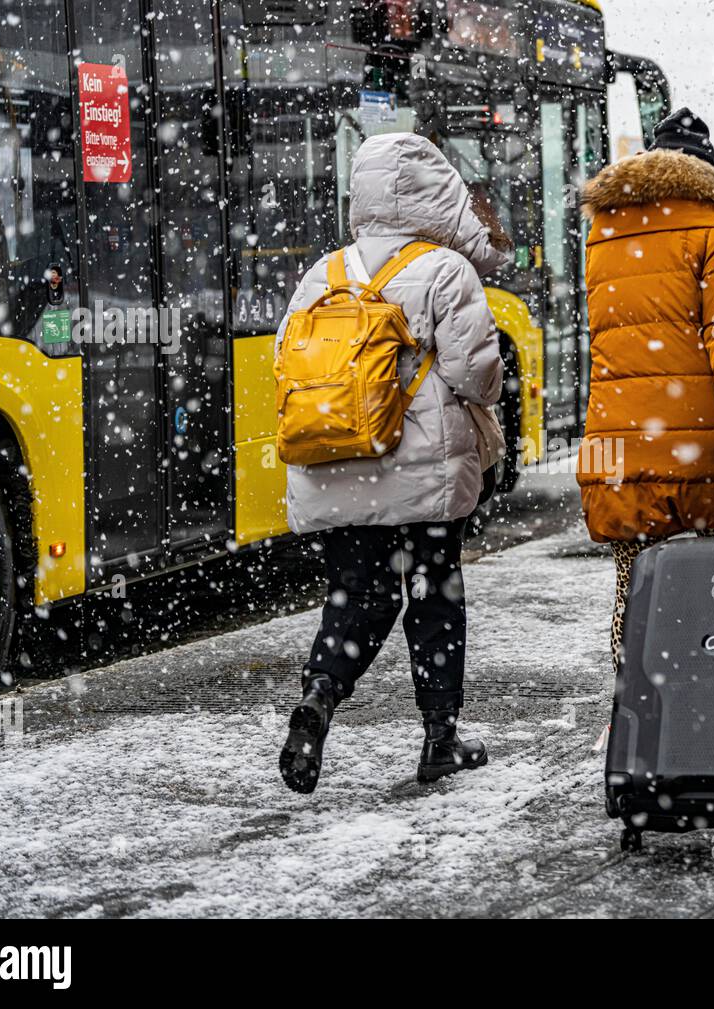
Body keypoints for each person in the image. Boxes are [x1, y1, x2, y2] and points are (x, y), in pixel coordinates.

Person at [276, 132, 511, 793]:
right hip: (425, 471)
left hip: (339, 462)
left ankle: (320, 695)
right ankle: (440, 736)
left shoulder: (323, 273)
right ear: (433, 194)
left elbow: (288, 364)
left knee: (358, 592)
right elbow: (478, 376)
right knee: (434, 591)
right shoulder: (445, 270)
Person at [576, 108, 714, 671]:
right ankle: (710, 691)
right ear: (707, 171)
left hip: (619, 442)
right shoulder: (713, 225)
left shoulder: (605, 228)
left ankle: (635, 694)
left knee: (636, 585)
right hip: (700, 444)